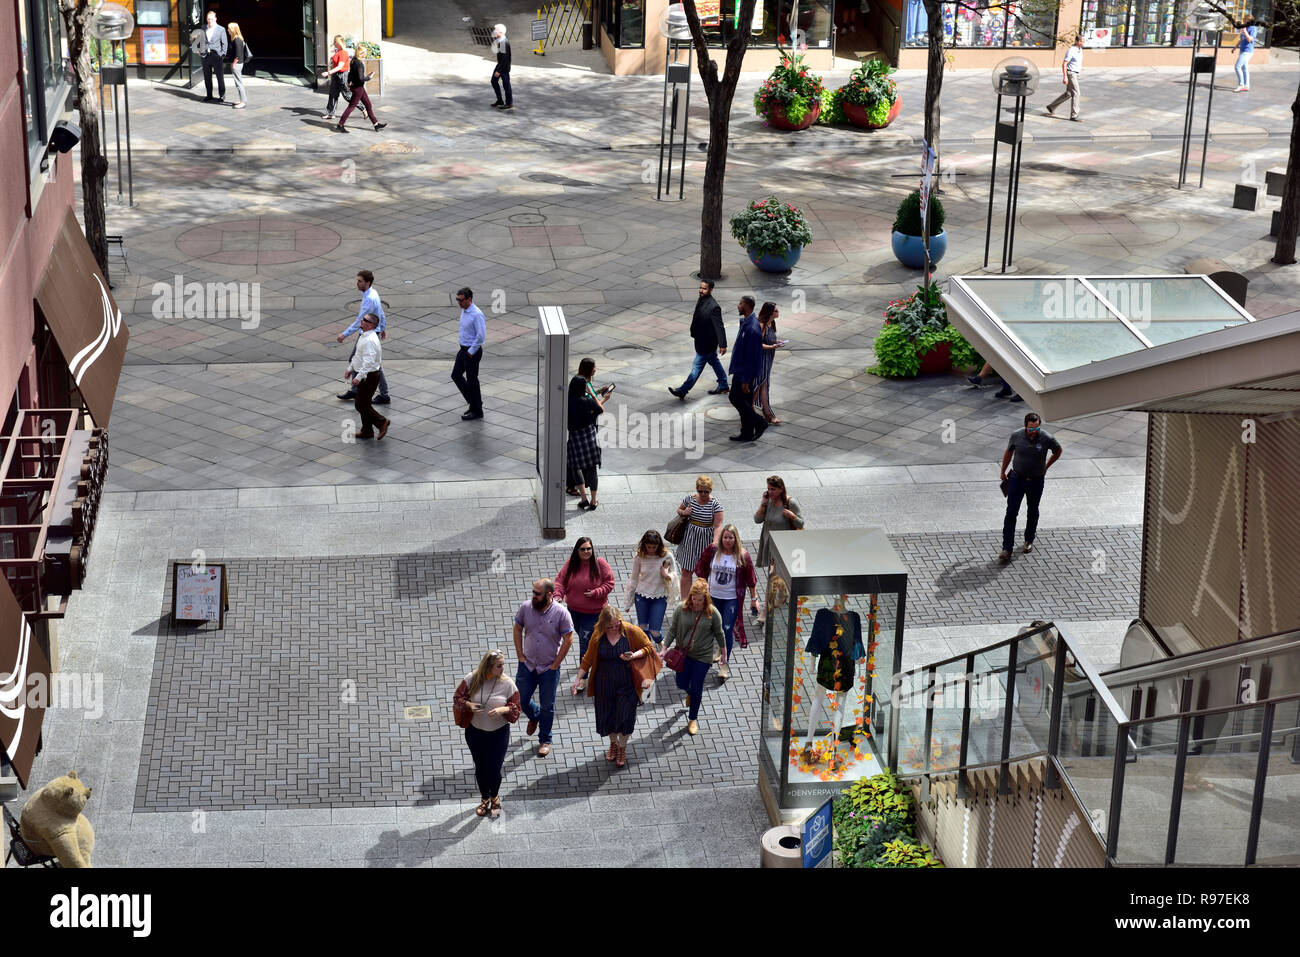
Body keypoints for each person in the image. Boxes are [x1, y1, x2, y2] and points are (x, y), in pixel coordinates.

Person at [570, 606, 656, 767]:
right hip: (604, 683)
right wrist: (578, 679)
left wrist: (633, 656)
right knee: (607, 716)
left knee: (626, 717)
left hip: (627, 682)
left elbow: (648, 647)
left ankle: (622, 747)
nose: (614, 628)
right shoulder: (598, 635)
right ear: (603, 625)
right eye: (610, 626)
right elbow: (587, 659)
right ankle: (613, 743)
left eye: (616, 625)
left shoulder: (630, 630)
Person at [453, 650, 520, 818]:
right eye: (499, 666)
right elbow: (457, 698)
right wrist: (469, 705)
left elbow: (516, 708)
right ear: (488, 666)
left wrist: (503, 709)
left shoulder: (508, 684)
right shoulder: (472, 678)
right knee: (481, 768)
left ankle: (495, 797)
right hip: (475, 733)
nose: (503, 669)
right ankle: (484, 799)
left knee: (494, 770)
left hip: (498, 734)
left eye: (503, 665)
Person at [513, 578, 575, 758]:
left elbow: (568, 639)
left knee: (548, 705)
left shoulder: (561, 613)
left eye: (537, 593)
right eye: (533, 592)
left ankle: (545, 739)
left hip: (549, 668)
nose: (533, 596)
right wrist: (520, 655)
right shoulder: (526, 607)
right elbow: (517, 628)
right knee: (520, 700)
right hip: (527, 665)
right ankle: (534, 716)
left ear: (549, 594)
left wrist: (555, 665)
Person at [692, 523, 757, 681]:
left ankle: (724, 665)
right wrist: (701, 587)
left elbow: (751, 580)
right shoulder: (712, 550)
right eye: (725, 537)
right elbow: (701, 569)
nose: (728, 540)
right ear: (721, 538)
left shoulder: (742, 556)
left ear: (736, 539)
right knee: (713, 628)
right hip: (713, 597)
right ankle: (719, 650)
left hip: (731, 599)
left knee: (726, 630)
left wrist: (754, 599)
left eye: (731, 538)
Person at [663, 580, 726, 736]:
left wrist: (724, 653)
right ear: (690, 596)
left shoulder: (712, 613)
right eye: (694, 599)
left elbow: (720, 633)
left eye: (700, 600)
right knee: (681, 682)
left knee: (697, 688)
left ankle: (692, 719)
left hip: (703, 657)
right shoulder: (680, 609)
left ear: (706, 599)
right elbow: (672, 630)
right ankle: (690, 693)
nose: (696, 603)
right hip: (683, 654)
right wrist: (664, 648)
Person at [999, 412, 1063, 563]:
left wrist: (1046, 466)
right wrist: (1003, 471)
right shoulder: (1016, 436)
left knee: (1033, 510)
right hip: (1017, 479)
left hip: (1036, 480)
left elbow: (1058, 451)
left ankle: (1029, 540)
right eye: (1031, 429)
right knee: (1011, 512)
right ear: (1026, 426)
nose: (1034, 432)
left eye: (1036, 429)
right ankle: (1007, 548)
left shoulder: (1047, 438)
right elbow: (1009, 453)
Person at [554, 537, 615, 662]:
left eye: (589, 548)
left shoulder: (600, 563)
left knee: (584, 640)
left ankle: (583, 676)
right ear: (577, 550)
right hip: (573, 611)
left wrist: (596, 592)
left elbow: (610, 583)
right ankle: (596, 653)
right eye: (583, 549)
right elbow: (560, 581)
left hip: (594, 613)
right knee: (586, 637)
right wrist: (557, 595)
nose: (586, 551)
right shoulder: (571, 564)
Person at [668, 280, 729, 399]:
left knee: (696, 367)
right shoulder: (702, 299)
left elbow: (719, 326)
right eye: (700, 288)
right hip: (701, 341)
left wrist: (723, 344)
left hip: (707, 344)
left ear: (711, 290)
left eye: (704, 289)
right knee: (714, 361)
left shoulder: (714, 307)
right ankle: (723, 384)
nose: (701, 290)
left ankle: (683, 390)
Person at [337, 270, 389, 403]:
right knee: (361, 359)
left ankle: (383, 394)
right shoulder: (372, 293)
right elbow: (380, 312)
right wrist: (382, 327)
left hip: (368, 333)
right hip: (372, 331)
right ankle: (357, 391)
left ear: (368, 282)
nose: (357, 283)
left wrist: (344, 334)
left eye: (360, 281)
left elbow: (360, 321)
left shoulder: (370, 299)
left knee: (370, 363)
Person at [567, 358, 611, 511]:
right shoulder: (588, 401)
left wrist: (595, 392)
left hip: (575, 437)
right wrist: (602, 398)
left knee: (575, 466)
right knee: (592, 468)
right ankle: (593, 501)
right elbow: (600, 409)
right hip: (590, 435)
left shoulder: (568, 401)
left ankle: (583, 498)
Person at [623, 530, 678, 649]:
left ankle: (659, 641)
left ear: (659, 546)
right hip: (641, 596)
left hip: (659, 597)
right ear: (644, 545)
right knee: (643, 627)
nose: (651, 550)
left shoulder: (666, 556)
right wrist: (628, 602)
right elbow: (633, 579)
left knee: (655, 630)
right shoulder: (639, 557)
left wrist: (666, 575)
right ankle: (647, 650)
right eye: (649, 547)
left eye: (654, 547)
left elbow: (674, 576)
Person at [675, 475, 724, 601]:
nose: (703, 494)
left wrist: (715, 542)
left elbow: (718, 525)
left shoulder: (715, 505)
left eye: (706, 491)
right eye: (700, 491)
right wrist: (684, 512)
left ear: (710, 490)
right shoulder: (690, 499)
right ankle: (685, 601)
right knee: (686, 571)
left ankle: (702, 601)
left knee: (703, 574)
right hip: (690, 539)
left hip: (705, 540)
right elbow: (679, 510)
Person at [727, 295, 767, 442]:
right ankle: (747, 432)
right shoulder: (746, 323)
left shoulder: (752, 328)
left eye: (740, 303)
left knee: (735, 398)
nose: (738, 306)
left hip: (744, 372)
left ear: (747, 305)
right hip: (742, 371)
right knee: (744, 401)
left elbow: (751, 356)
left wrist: (745, 380)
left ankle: (760, 422)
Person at [344, 314, 389, 440]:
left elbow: (368, 362)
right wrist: (350, 369)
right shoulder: (364, 336)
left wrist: (359, 377)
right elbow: (358, 356)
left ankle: (382, 422)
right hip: (366, 375)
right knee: (364, 403)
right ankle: (367, 431)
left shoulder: (370, 340)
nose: (361, 321)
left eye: (364, 320)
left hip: (369, 376)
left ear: (370, 325)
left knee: (361, 405)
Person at [754, 474, 804, 575]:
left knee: (783, 575)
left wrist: (792, 516)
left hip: (785, 546)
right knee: (773, 575)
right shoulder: (768, 502)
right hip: (770, 544)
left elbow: (801, 524)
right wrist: (763, 504)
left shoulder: (790, 503)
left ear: (781, 489)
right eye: (768, 489)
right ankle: (773, 591)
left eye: (773, 489)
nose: (770, 492)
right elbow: (757, 519)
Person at [337, 47, 388, 132]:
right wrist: (369, 77)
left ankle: (376, 124)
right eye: (365, 53)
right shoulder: (359, 63)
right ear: (361, 53)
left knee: (368, 105)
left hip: (358, 87)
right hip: (358, 88)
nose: (366, 54)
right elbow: (361, 78)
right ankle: (340, 124)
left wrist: (349, 82)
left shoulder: (353, 60)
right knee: (351, 106)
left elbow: (350, 73)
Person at [453, 287, 485, 420]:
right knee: (456, 375)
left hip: (472, 351)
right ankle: (474, 402)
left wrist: (470, 353)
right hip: (463, 349)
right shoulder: (464, 310)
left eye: (461, 300)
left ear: (469, 299)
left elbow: (481, 336)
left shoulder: (476, 314)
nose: (459, 303)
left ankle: (477, 411)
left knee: (472, 381)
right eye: (457, 300)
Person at [754, 301, 785, 424]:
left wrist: (777, 341)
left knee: (763, 386)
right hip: (761, 359)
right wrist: (773, 347)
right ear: (770, 312)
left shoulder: (771, 323)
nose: (778, 312)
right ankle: (756, 413)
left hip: (768, 360)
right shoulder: (762, 325)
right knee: (758, 386)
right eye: (776, 310)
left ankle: (766, 414)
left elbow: (769, 339)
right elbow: (758, 344)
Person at [1045, 34, 1084, 122]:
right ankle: (1074, 115)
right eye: (1083, 41)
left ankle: (1051, 107)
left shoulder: (1080, 49)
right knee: (1076, 93)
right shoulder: (1071, 50)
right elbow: (1064, 64)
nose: (1084, 43)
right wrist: (1065, 77)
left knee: (1069, 94)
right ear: (1078, 42)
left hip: (1075, 74)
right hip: (1071, 74)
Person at [199, 10, 228, 103]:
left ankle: (222, 96)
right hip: (205, 56)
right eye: (208, 19)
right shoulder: (203, 28)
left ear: (215, 19)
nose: (209, 21)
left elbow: (225, 43)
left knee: (220, 77)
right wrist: (199, 50)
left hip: (216, 56)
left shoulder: (221, 29)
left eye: (211, 19)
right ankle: (209, 95)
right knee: (207, 77)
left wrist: (222, 55)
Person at [320, 35, 349, 120]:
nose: (334, 43)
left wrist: (328, 73)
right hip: (335, 76)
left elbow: (340, 67)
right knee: (332, 94)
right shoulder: (338, 51)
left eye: (335, 42)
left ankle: (363, 108)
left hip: (342, 75)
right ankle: (330, 113)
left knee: (347, 95)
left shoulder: (343, 53)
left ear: (339, 43)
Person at [490, 23, 513, 110]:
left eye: (496, 31)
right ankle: (500, 100)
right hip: (500, 65)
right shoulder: (501, 41)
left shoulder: (504, 43)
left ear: (501, 32)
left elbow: (504, 58)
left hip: (503, 67)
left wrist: (498, 70)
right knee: (494, 81)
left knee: (506, 85)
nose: (494, 32)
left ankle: (509, 103)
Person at [1234, 15, 1257, 92]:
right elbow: (1241, 39)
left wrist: (1245, 31)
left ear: (1250, 21)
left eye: (1245, 20)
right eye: (1244, 20)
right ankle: (1246, 86)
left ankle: (1241, 85)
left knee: (1237, 67)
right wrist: (1235, 47)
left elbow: (1250, 39)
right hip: (1242, 50)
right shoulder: (1245, 28)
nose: (1244, 22)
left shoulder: (1253, 28)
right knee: (1244, 69)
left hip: (1247, 51)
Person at [227, 22, 248, 109]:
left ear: (233, 30)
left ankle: (243, 102)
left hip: (237, 64)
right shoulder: (236, 39)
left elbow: (238, 55)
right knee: (238, 83)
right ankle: (241, 100)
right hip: (238, 64)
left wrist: (233, 64)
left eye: (229, 29)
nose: (227, 30)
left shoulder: (237, 40)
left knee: (239, 83)